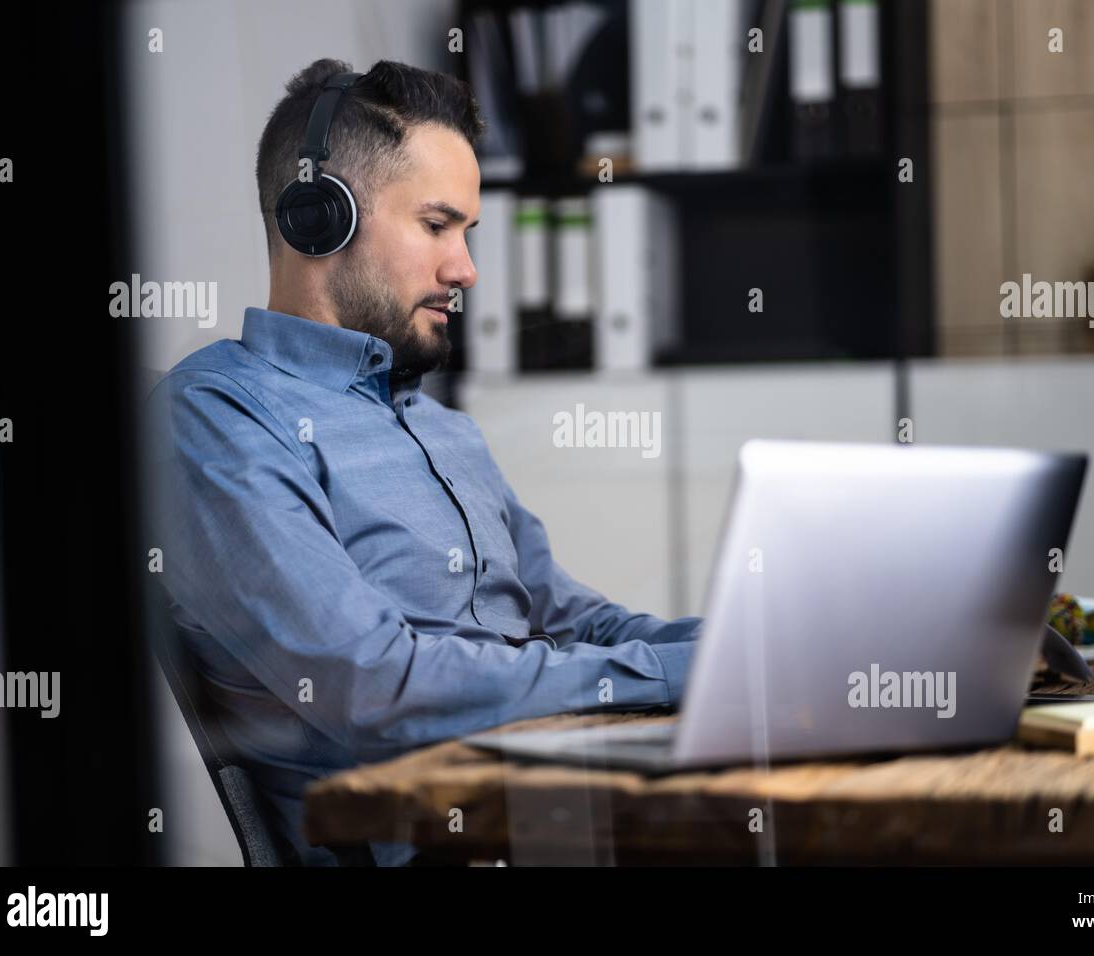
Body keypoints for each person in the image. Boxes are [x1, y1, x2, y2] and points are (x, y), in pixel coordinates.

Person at [147, 58, 701, 866]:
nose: (466, 270)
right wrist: (667, 672)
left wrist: (737, 652)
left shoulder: (444, 431)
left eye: (467, 234)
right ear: (318, 219)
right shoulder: (217, 421)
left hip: (556, 820)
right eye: (438, 226)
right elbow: (381, 691)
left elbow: (575, 621)